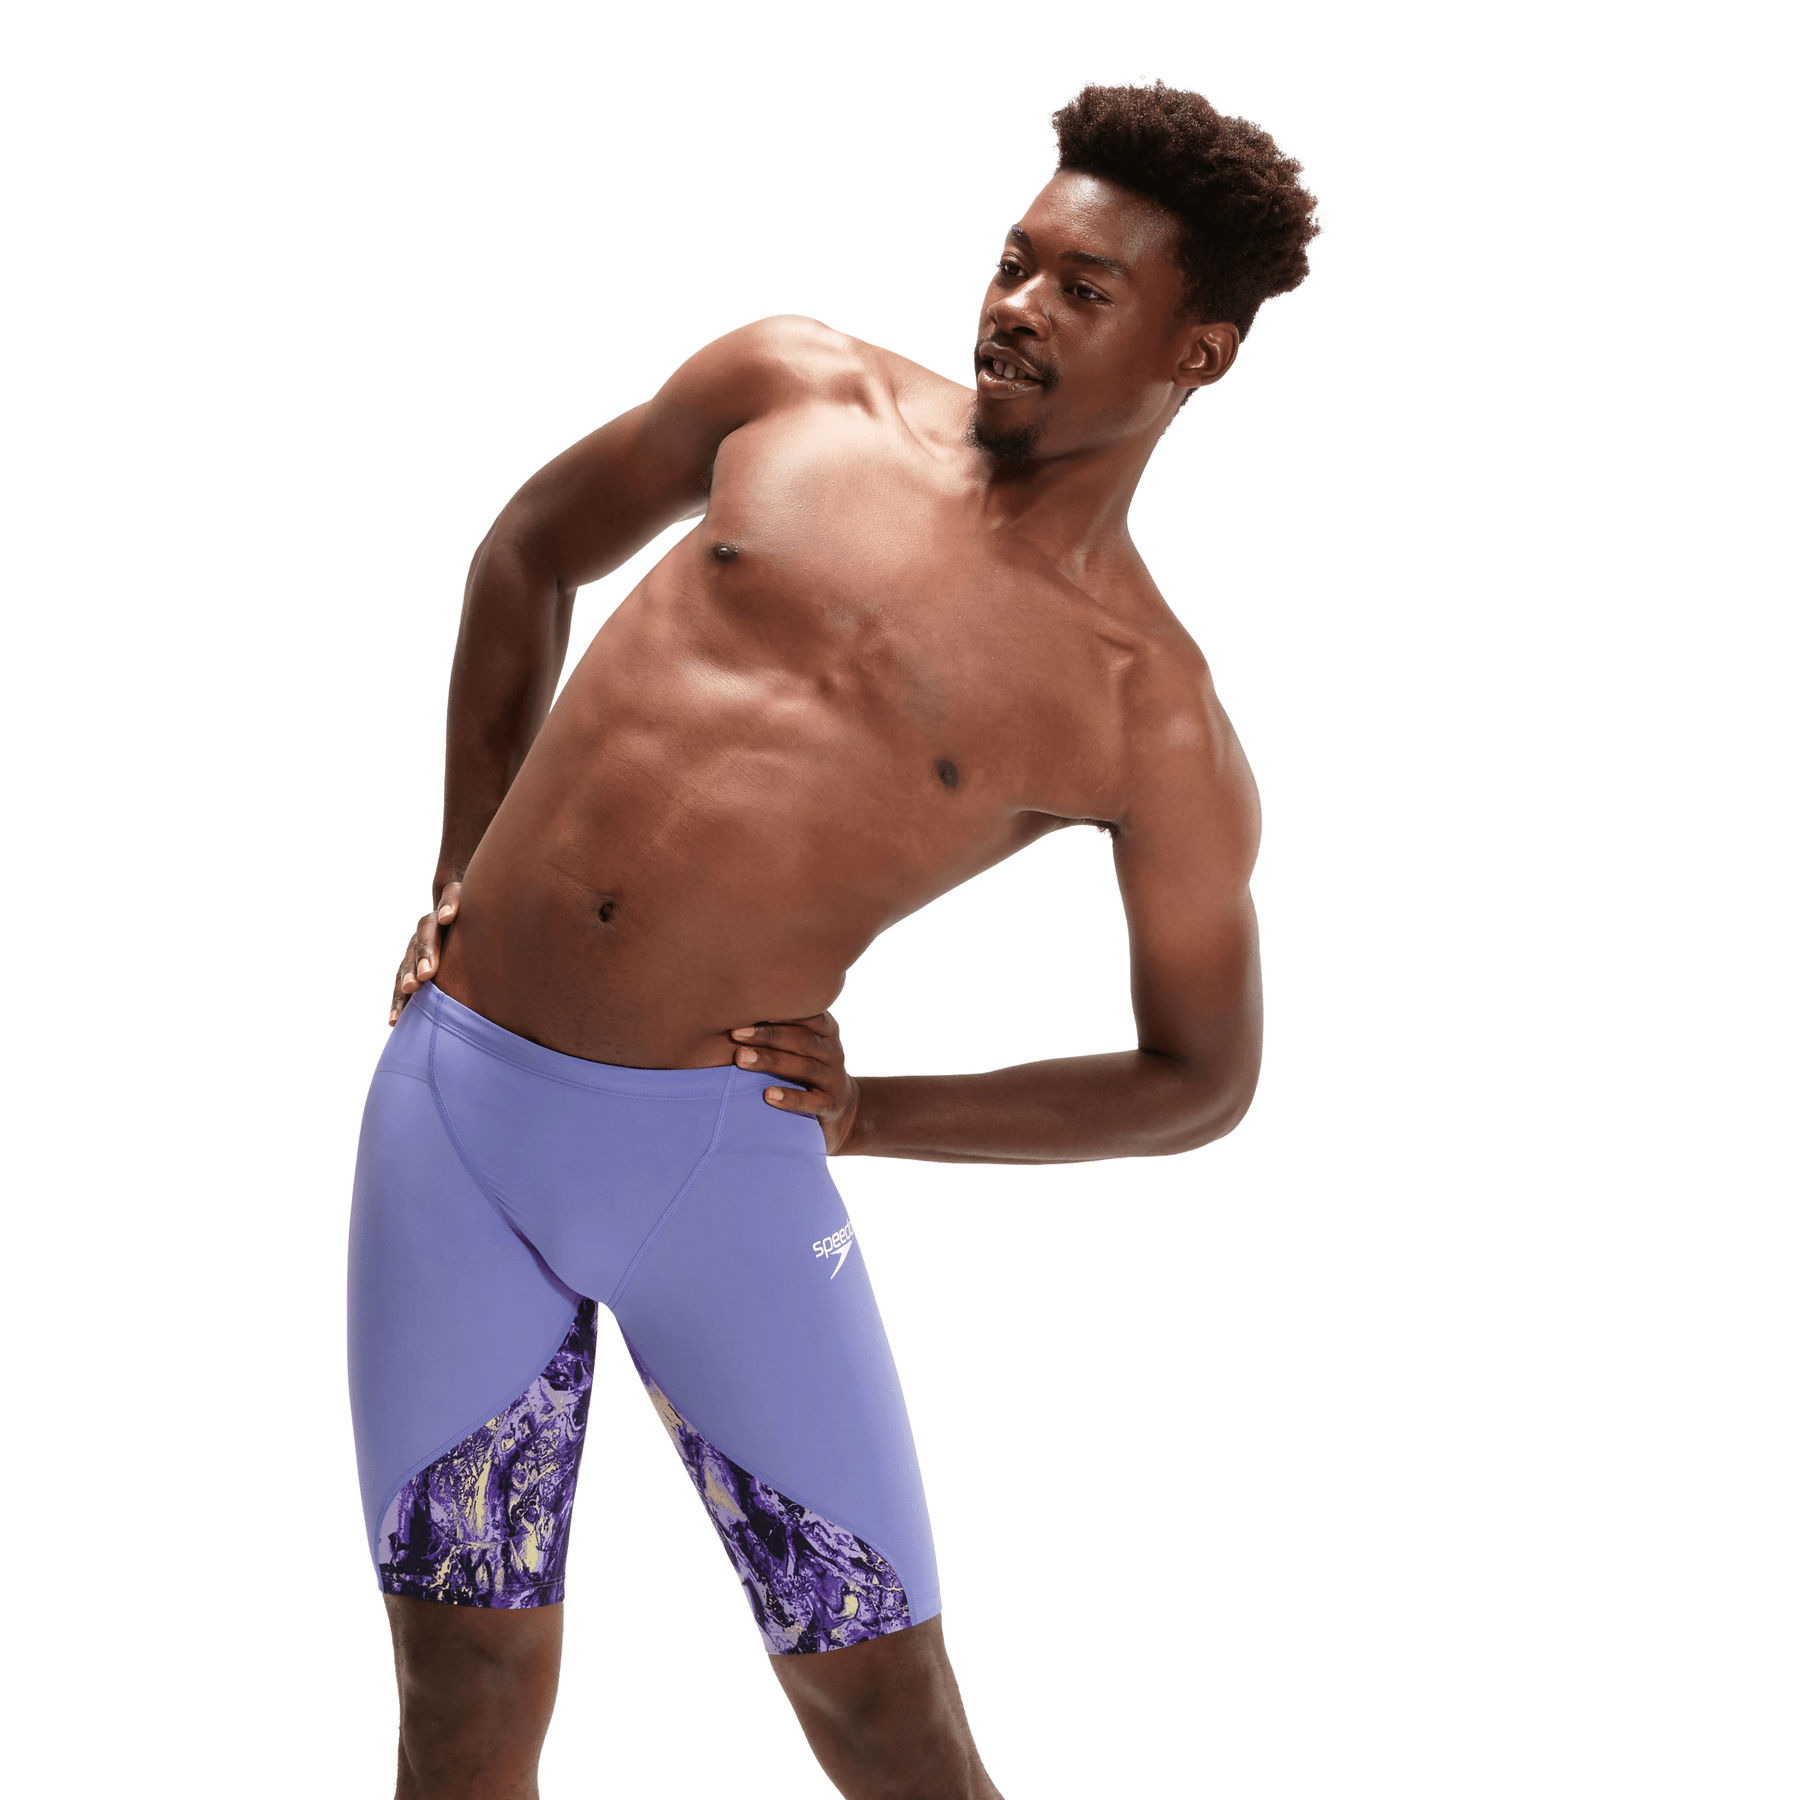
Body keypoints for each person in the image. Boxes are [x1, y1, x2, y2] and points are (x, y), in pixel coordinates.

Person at [349, 79, 1318, 1800]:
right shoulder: (791, 383)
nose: (1019, 306)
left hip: (710, 1178)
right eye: (1016, 260)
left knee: (885, 1721)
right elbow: (527, 551)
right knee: (461, 1698)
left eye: (1086, 288)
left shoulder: (1144, 708)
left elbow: (1200, 1077)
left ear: (1201, 351)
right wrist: (460, 866)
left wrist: (874, 1115)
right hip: (452, 1116)